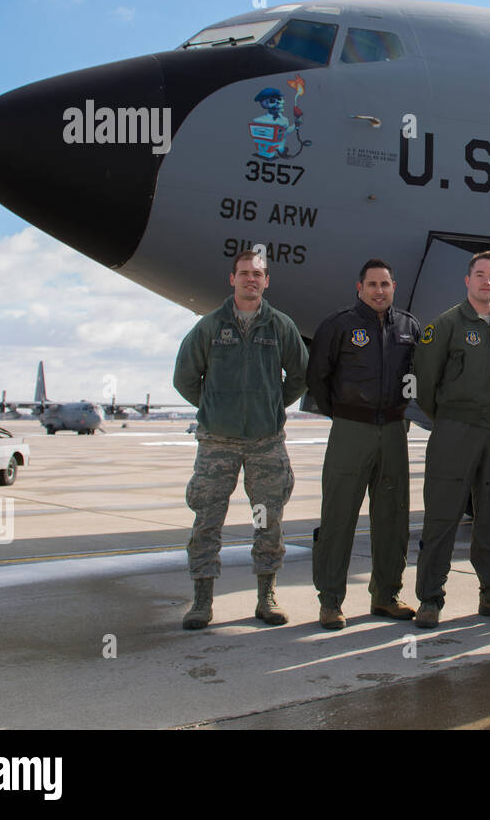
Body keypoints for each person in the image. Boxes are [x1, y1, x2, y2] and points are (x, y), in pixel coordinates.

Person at [173, 249, 309, 629]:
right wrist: (216, 407)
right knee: (207, 520)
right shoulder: (211, 326)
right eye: (245, 273)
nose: (252, 279)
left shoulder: (280, 326)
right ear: (232, 279)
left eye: (258, 274)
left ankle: (266, 597)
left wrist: (271, 405)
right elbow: (185, 376)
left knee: (269, 521)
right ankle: (202, 602)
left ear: (267, 281)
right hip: (218, 443)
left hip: (266, 442)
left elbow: (299, 375)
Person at [412, 251, 490, 629]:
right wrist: (450, 417)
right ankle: (430, 598)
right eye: (479, 275)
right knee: (443, 514)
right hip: (456, 429)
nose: (486, 282)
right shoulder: (446, 325)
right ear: (467, 280)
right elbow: (425, 384)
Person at [307, 259, 420, 630]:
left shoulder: (408, 326)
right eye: (372, 284)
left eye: (385, 284)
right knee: (339, 516)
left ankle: (386, 595)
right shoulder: (339, 326)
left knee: (393, 517)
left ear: (393, 286)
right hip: (350, 430)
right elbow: (318, 379)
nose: (379, 290)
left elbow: (418, 376)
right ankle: (330, 601)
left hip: (393, 430)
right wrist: (343, 413)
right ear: (359, 288)